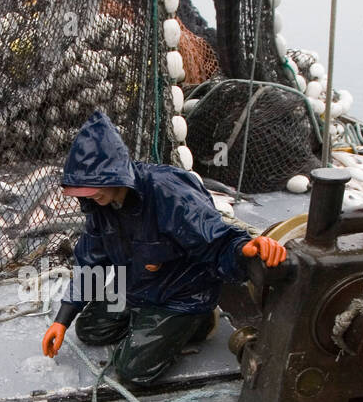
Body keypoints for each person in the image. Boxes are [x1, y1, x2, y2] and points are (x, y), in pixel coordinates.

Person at [40, 111, 286, 385]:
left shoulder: (169, 192)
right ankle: (150, 324)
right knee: (89, 330)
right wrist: (62, 319)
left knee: (131, 369)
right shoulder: (100, 205)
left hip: (180, 296)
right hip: (138, 288)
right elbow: (89, 264)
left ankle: (201, 320)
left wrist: (245, 249)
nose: (88, 195)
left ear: (115, 175)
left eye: (93, 186)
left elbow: (218, 240)